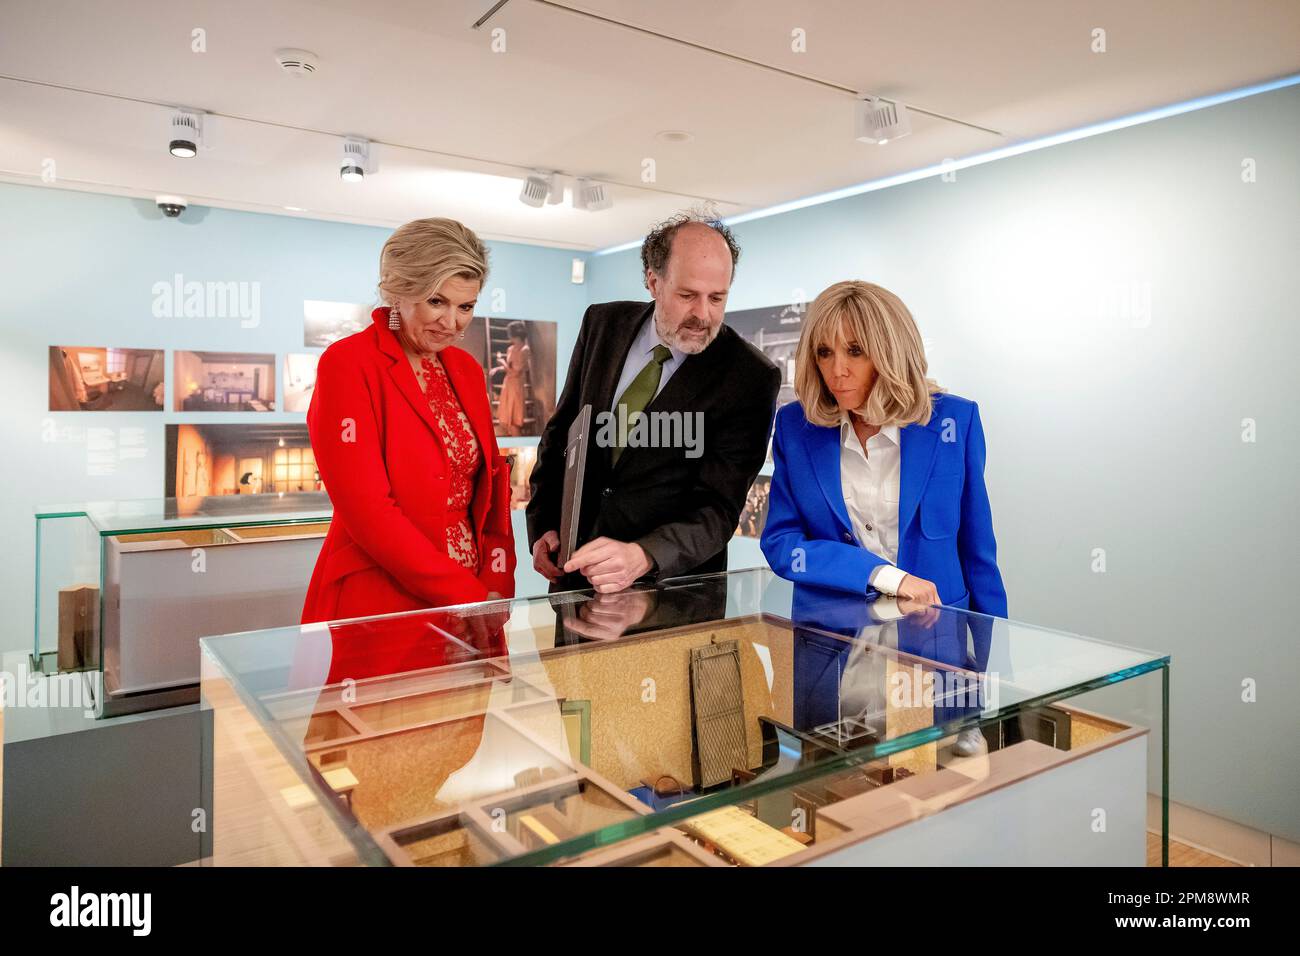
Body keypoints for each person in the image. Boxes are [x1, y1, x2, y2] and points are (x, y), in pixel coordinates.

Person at [527, 211, 781, 594]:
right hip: (575, 579)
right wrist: (545, 524)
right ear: (653, 281)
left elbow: (718, 509)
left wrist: (643, 555)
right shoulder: (602, 324)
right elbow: (562, 432)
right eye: (687, 295)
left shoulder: (749, 376)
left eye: (717, 298)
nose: (703, 314)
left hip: (675, 593)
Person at [301, 217, 516, 624]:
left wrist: (497, 581)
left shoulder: (467, 369)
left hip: (474, 597)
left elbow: (488, 487)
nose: (452, 323)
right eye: (437, 301)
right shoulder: (348, 364)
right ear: (397, 291)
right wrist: (466, 595)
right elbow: (368, 513)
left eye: (465, 306)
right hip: (382, 594)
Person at [760, 280, 1007, 618]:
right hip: (829, 645)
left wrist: (997, 665)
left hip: (933, 646)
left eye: (855, 351)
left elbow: (978, 555)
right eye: (824, 352)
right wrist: (883, 575)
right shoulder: (795, 427)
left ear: (891, 351)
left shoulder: (955, 421)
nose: (837, 371)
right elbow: (782, 542)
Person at [494, 321, 530, 437]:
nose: (508, 336)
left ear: (515, 334)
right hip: (508, 384)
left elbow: (515, 372)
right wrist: (499, 367)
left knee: (514, 422)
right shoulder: (510, 349)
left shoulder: (524, 349)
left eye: (510, 333)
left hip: (516, 386)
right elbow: (510, 367)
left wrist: (502, 362)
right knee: (506, 422)